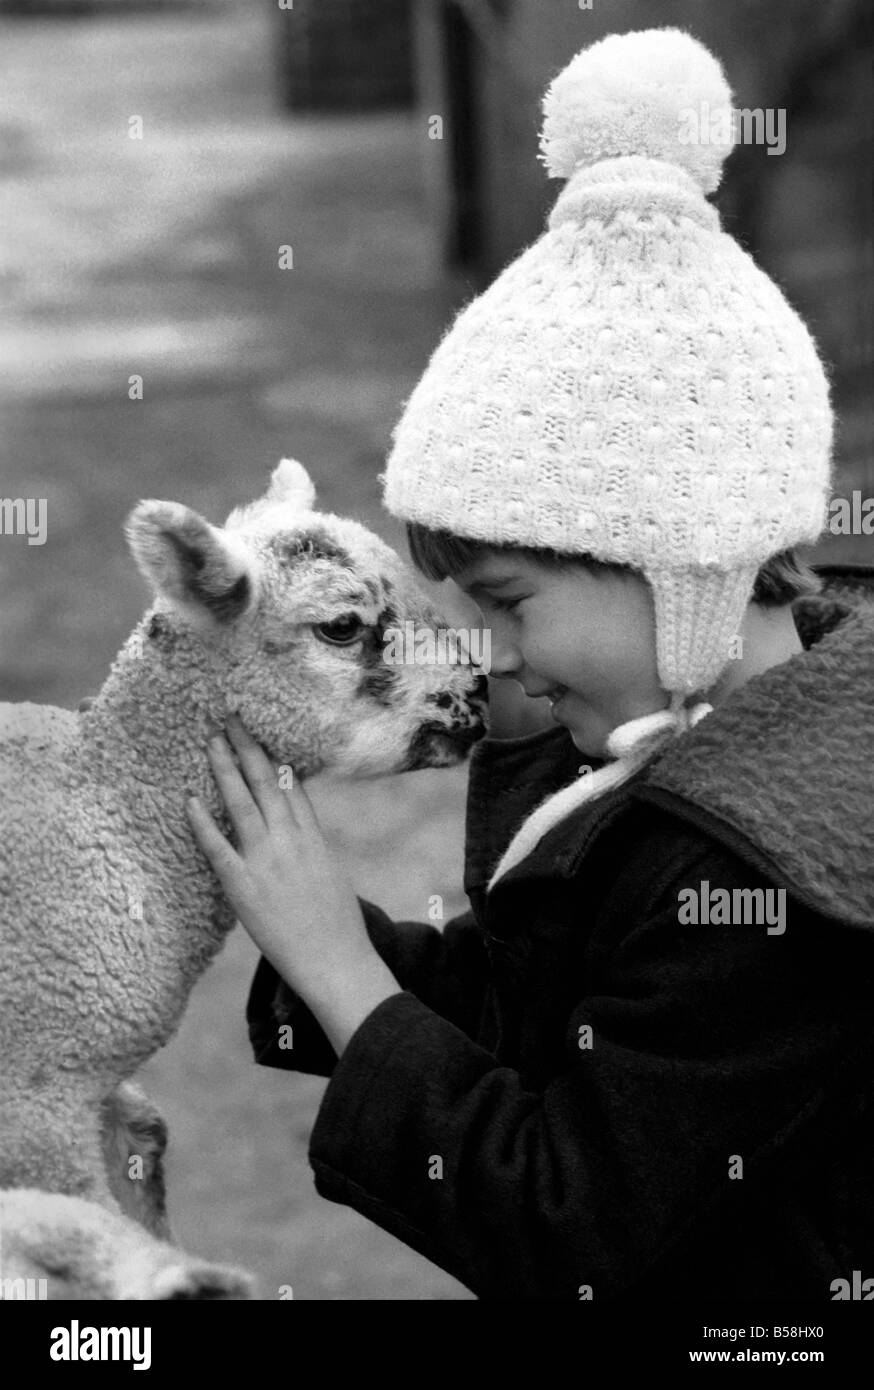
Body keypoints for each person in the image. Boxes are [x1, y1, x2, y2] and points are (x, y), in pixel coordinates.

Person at [186, 29, 874, 1300]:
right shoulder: (698, 742)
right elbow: (553, 1002)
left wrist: (343, 980)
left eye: (506, 604)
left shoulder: (781, 878)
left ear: (679, 560)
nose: (488, 656)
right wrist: (321, 936)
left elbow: (572, 1221)